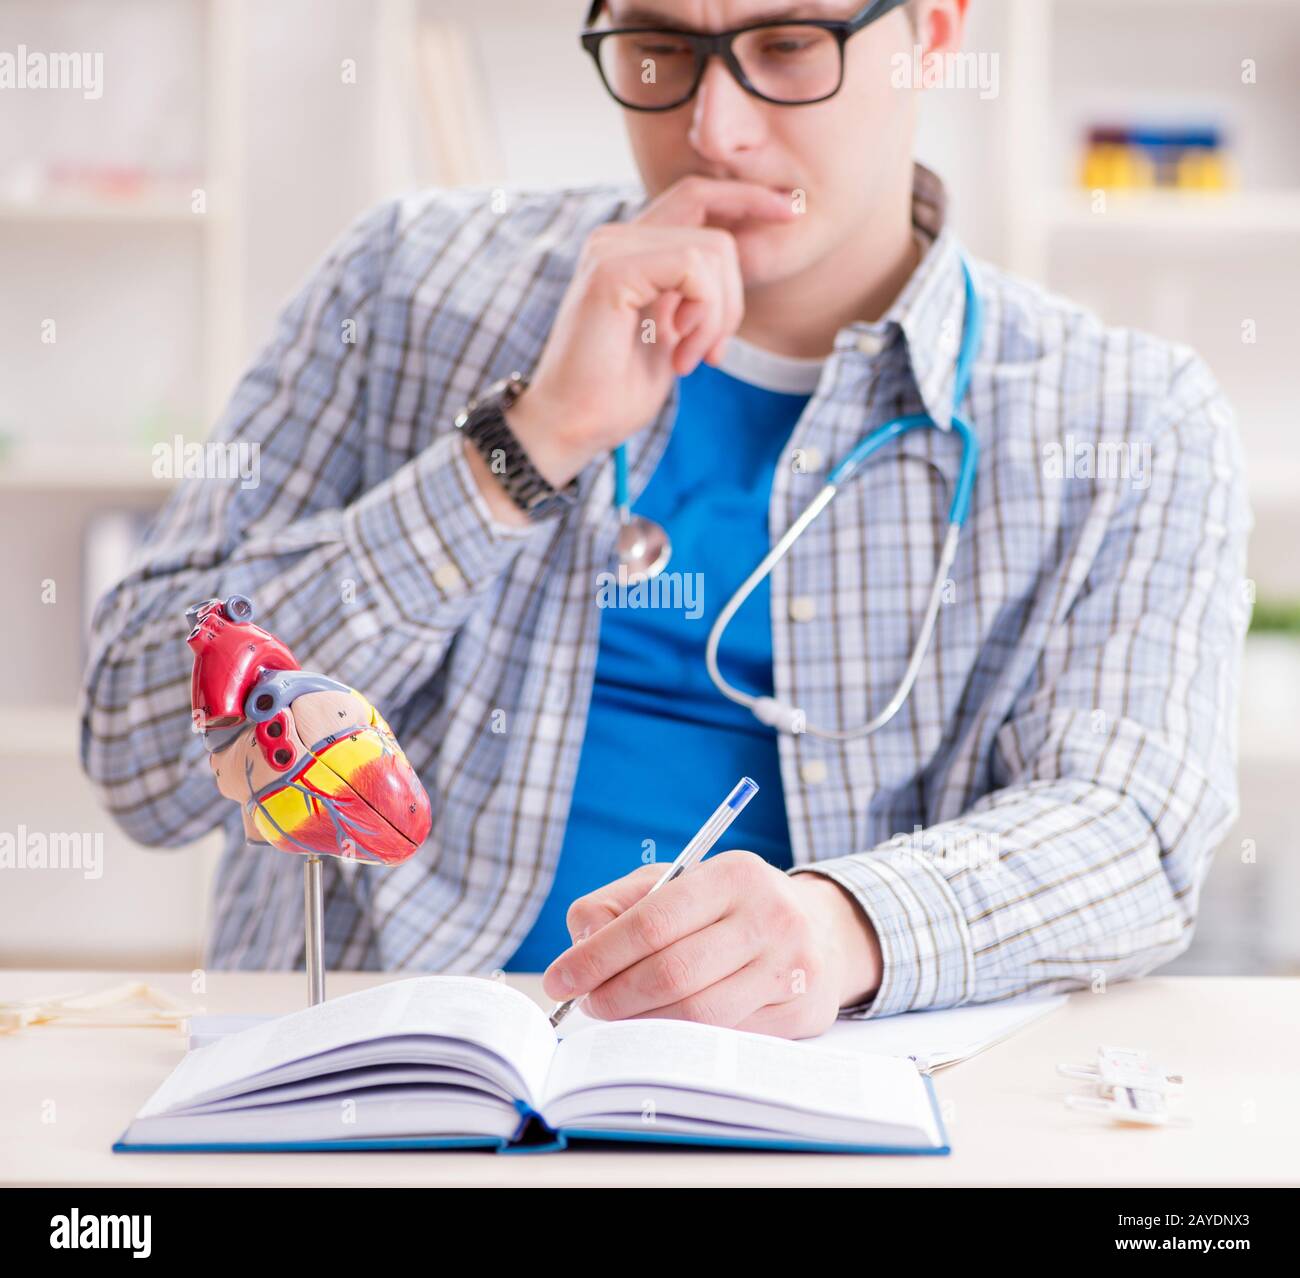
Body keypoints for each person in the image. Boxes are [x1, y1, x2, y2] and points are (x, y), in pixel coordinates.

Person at [81, 0, 1251, 1038]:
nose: (715, 129)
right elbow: (142, 758)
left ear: (936, 29)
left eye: (789, 46)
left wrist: (839, 928)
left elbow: (1131, 830)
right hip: (376, 1096)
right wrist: (521, 447)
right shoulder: (404, 283)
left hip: (818, 1098)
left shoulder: (1128, 417)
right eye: (656, 49)